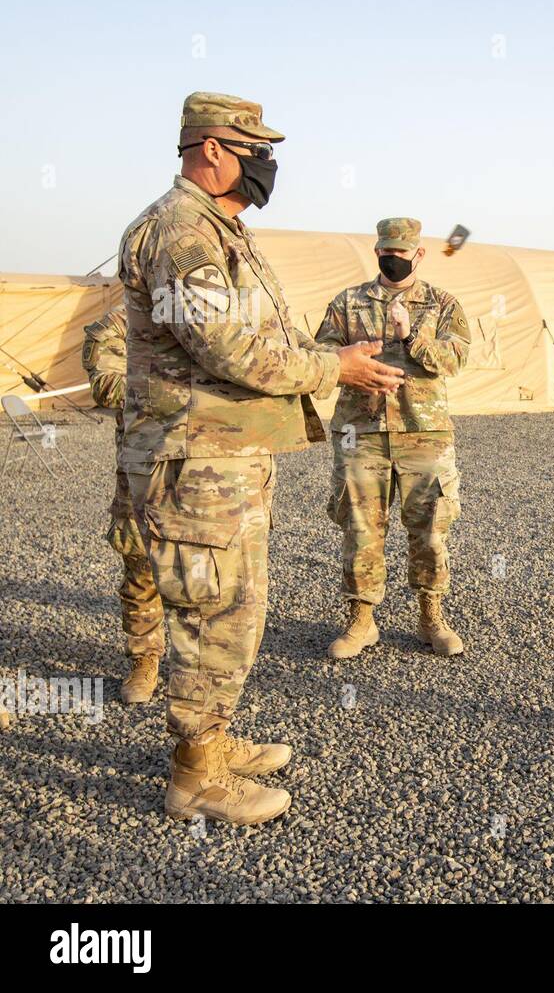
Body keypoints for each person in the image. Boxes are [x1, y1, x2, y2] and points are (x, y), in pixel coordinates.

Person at [118, 91, 404, 824]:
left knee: (237, 608)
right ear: (211, 149)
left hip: (226, 457)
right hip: (194, 462)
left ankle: (212, 740)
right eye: (255, 153)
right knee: (212, 611)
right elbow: (227, 348)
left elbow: (261, 335)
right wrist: (331, 370)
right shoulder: (181, 234)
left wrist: (328, 355)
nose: (265, 167)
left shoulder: (221, 230)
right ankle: (195, 777)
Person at [315, 218, 471, 659]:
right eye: (386, 251)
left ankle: (431, 617)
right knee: (361, 528)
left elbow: (456, 358)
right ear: (377, 250)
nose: (393, 259)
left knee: (430, 528)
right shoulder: (348, 302)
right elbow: (319, 355)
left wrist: (413, 336)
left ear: (418, 254)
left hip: (424, 433)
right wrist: (349, 363)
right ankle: (361, 621)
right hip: (360, 432)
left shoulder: (442, 304)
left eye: (402, 253)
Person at [81, 305, 166, 703]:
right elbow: (107, 386)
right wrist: (183, 389)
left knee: (209, 573)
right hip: (143, 468)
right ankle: (144, 658)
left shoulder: (209, 313)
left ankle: (201, 668)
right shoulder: (116, 325)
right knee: (141, 567)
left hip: (210, 469)